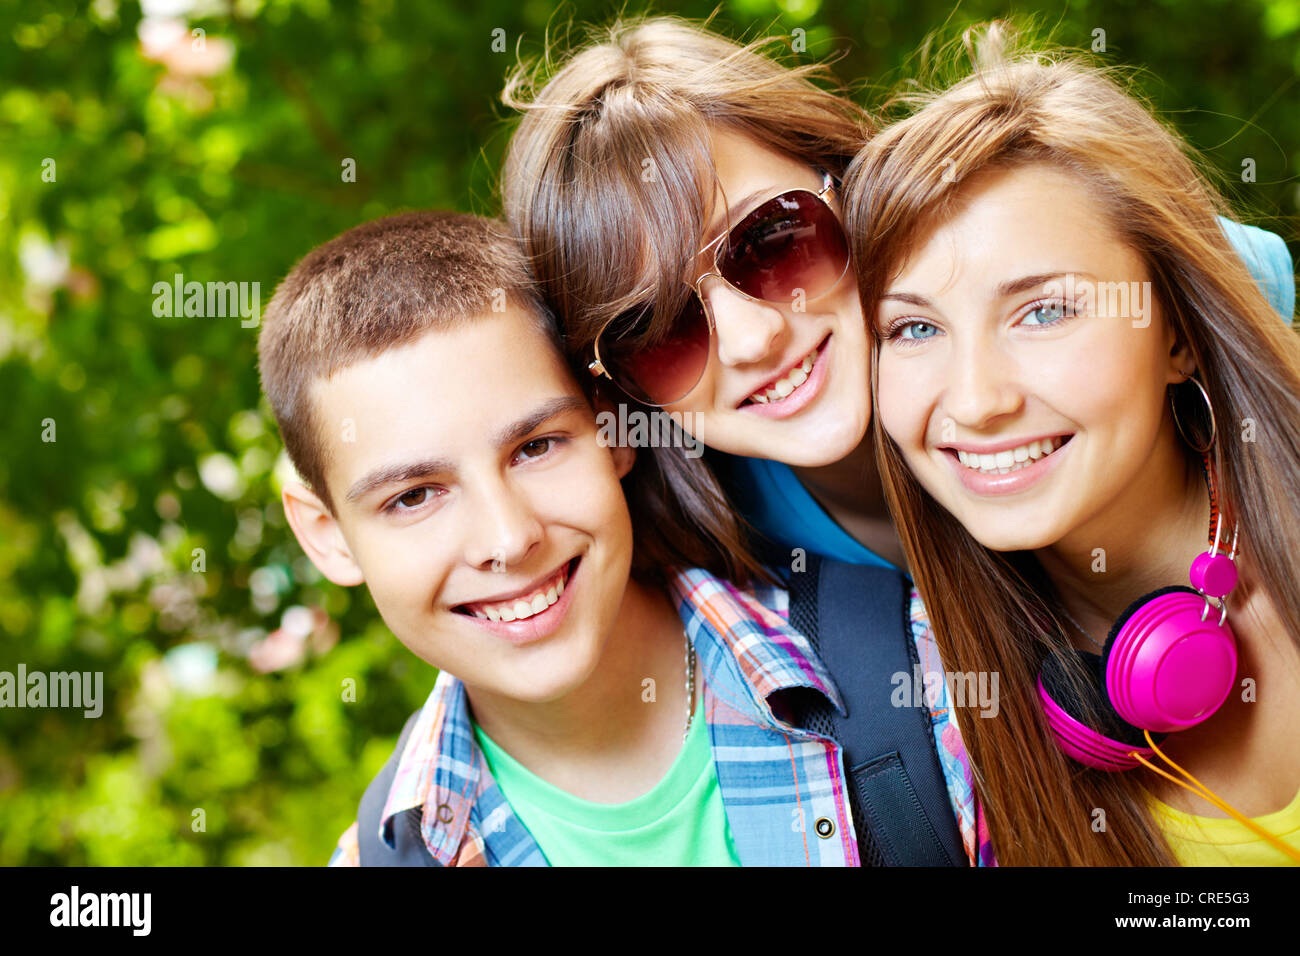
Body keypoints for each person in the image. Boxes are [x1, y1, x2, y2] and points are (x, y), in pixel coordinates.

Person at [500, 14, 1294, 576]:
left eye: (769, 241)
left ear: (844, 184)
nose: (754, 339)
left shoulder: (1134, 282)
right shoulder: (683, 534)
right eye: (660, 330)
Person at [257, 209, 876, 866]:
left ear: (612, 430)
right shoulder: (396, 854)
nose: (509, 537)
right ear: (329, 537)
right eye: (414, 496)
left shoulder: (914, 675)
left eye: (535, 448)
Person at [843, 24, 1300, 866]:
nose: (977, 401)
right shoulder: (928, 729)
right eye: (912, 328)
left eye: (1044, 311)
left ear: (1177, 334)